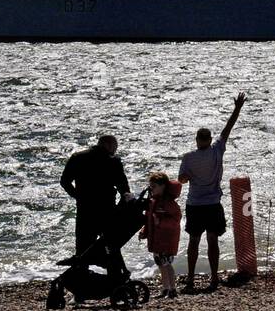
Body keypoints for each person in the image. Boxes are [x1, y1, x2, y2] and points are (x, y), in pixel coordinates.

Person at [178, 92, 245, 293]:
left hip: (195, 204)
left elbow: (182, 179)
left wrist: (187, 178)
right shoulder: (217, 150)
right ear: (209, 139)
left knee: (193, 241)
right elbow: (228, 128)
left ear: (197, 140)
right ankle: (214, 277)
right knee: (213, 241)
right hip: (213, 203)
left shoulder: (188, 158)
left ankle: (190, 278)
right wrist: (237, 108)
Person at [59, 135, 131, 259]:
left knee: (83, 247)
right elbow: (124, 188)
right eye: (115, 147)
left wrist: (77, 196)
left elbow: (64, 181)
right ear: (108, 145)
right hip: (107, 209)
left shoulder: (78, 157)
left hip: (85, 209)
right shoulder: (113, 161)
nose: (115, 150)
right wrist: (122, 207)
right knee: (111, 246)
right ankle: (115, 274)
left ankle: (80, 274)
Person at [139, 171, 182, 299]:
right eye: (150, 187)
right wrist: (144, 232)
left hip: (167, 240)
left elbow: (176, 220)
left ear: (163, 186)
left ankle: (172, 288)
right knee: (160, 263)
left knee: (166, 264)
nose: (151, 189)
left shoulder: (169, 204)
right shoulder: (153, 202)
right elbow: (149, 220)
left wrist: (161, 222)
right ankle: (165, 288)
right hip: (157, 239)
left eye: (154, 187)